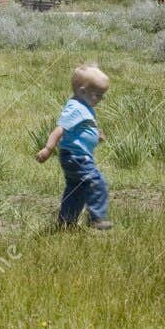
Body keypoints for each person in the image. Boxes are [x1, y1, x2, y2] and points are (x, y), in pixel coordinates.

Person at [35, 63, 112, 231]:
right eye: (98, 95)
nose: (101, 99)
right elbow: (60, 128)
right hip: (77, 158)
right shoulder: (75, 108)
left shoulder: (83, 105)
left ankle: (66, 223)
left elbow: (80, 129)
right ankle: (96, 218)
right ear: (83, 91)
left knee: (75, 191)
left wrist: (94, 135)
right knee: (95, 183)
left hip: (74, 157)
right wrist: (48, 149)